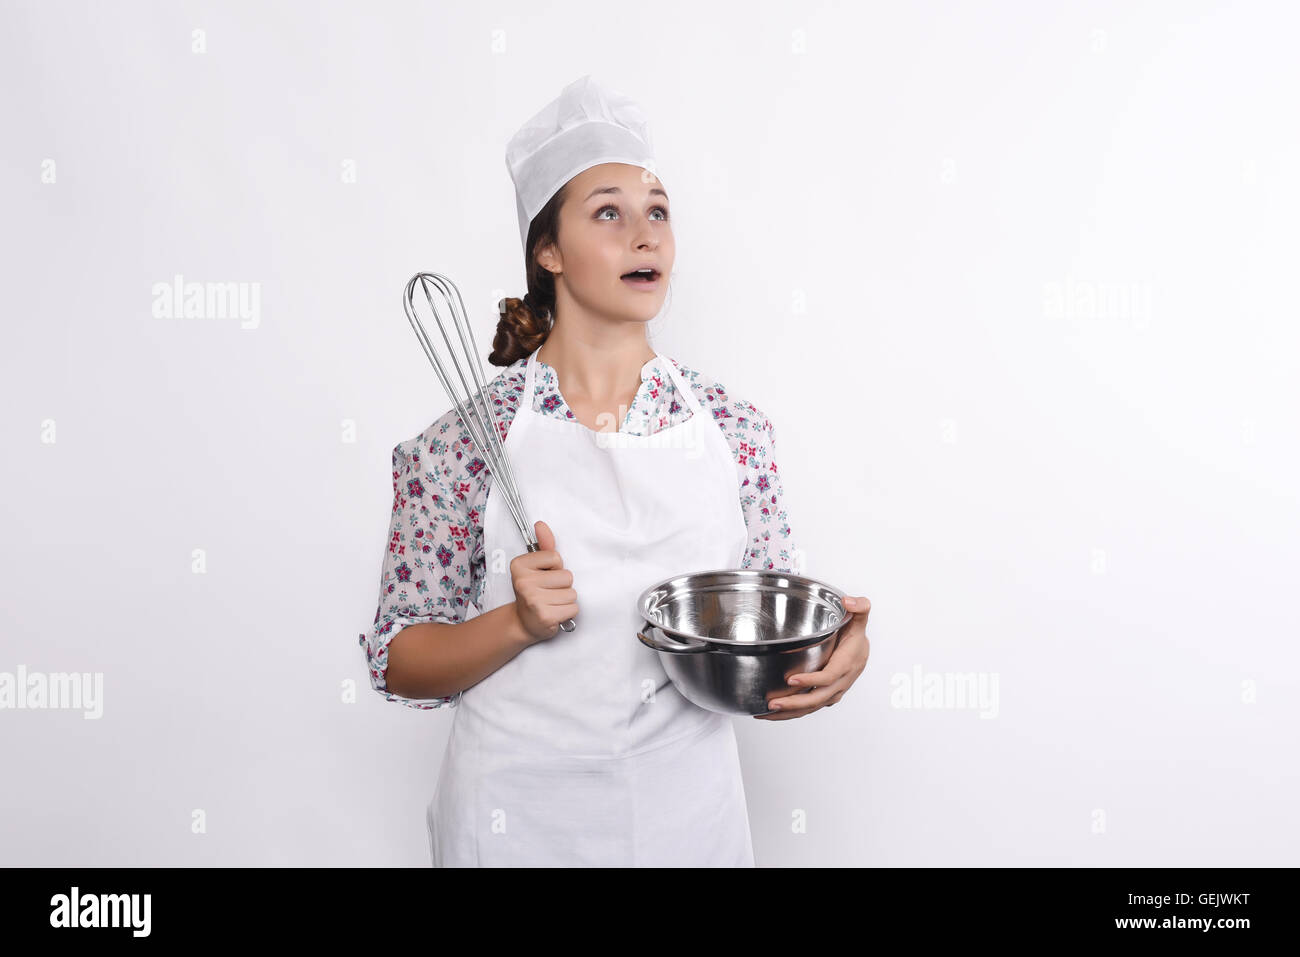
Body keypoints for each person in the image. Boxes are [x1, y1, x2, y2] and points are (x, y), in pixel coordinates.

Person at [359, 75, 872, 866]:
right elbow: (398, 659)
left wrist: (831, 653)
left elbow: (764, 624)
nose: (647, 235)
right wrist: (517, 623)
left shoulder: (733, 429)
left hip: (686, 824)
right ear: (549, 250)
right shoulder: (466, 441)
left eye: (658, 211)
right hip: (510, 824)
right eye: (610, 212)